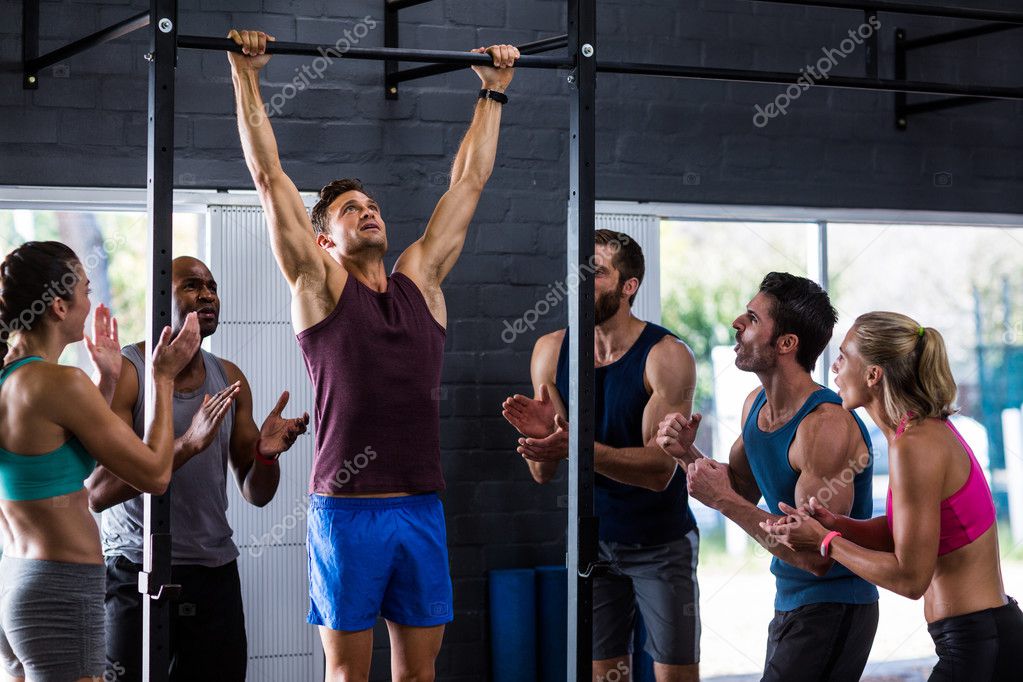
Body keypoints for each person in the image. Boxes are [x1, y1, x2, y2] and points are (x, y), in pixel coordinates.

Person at [226, 27, 520, 681]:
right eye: (349, 210)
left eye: (371, 205)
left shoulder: (422, 281)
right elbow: (269, 179)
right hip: (346, 510)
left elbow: (468, 183)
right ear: (321, 239)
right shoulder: (318, 284)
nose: (367, 212)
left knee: (419, 674)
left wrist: (493, 93)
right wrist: (246, 75)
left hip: (420, 505)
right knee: (346, 674)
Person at [763, 312, 1023, 681]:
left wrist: (827, 542)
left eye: (844, 356)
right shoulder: (916, 433)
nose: (834, 365)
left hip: (978, 643)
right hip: (987, 636)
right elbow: (908, 533)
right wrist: (838, 524)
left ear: (873, 375)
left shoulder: (914, 445)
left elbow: (910, 578)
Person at [85, 256, 309, 682]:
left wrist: (265, 454)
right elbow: (97, 492)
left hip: (213, 574)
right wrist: (187, 444)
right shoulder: (130, 374)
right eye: (192, 286)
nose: (208, 295)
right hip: (135, 569)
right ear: (161, 299)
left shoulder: (229, 378)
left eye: (212, 286)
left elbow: (256, 493)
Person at [657, 272, 879, 682]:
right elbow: (739, 488)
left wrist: (723, 499)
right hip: (790, 601)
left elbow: (815, 556)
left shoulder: (825, 425)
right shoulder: (754, 406)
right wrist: (685, 453)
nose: (737, 325)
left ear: (787, 344)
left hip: (834, 605)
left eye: (753, 319)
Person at [502, 230, 700, 682]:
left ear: (628, 286)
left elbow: (658, 472)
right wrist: (542, 442)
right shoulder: (551, 351)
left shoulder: (666, 356)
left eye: (598, 272)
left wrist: (579, 450)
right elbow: (541, 473)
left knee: (676, 675)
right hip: (593, 541)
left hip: (659, 542)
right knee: (605, 674)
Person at [0, 240, 198, 681]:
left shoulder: (12, 379)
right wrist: (161, 379)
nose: (91, 302)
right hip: (59, 589)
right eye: (85, 290)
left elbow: (66, 461)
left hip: (16, 581)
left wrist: (106, 381)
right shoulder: (59, 383)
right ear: (58, 306)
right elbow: (155, 473)